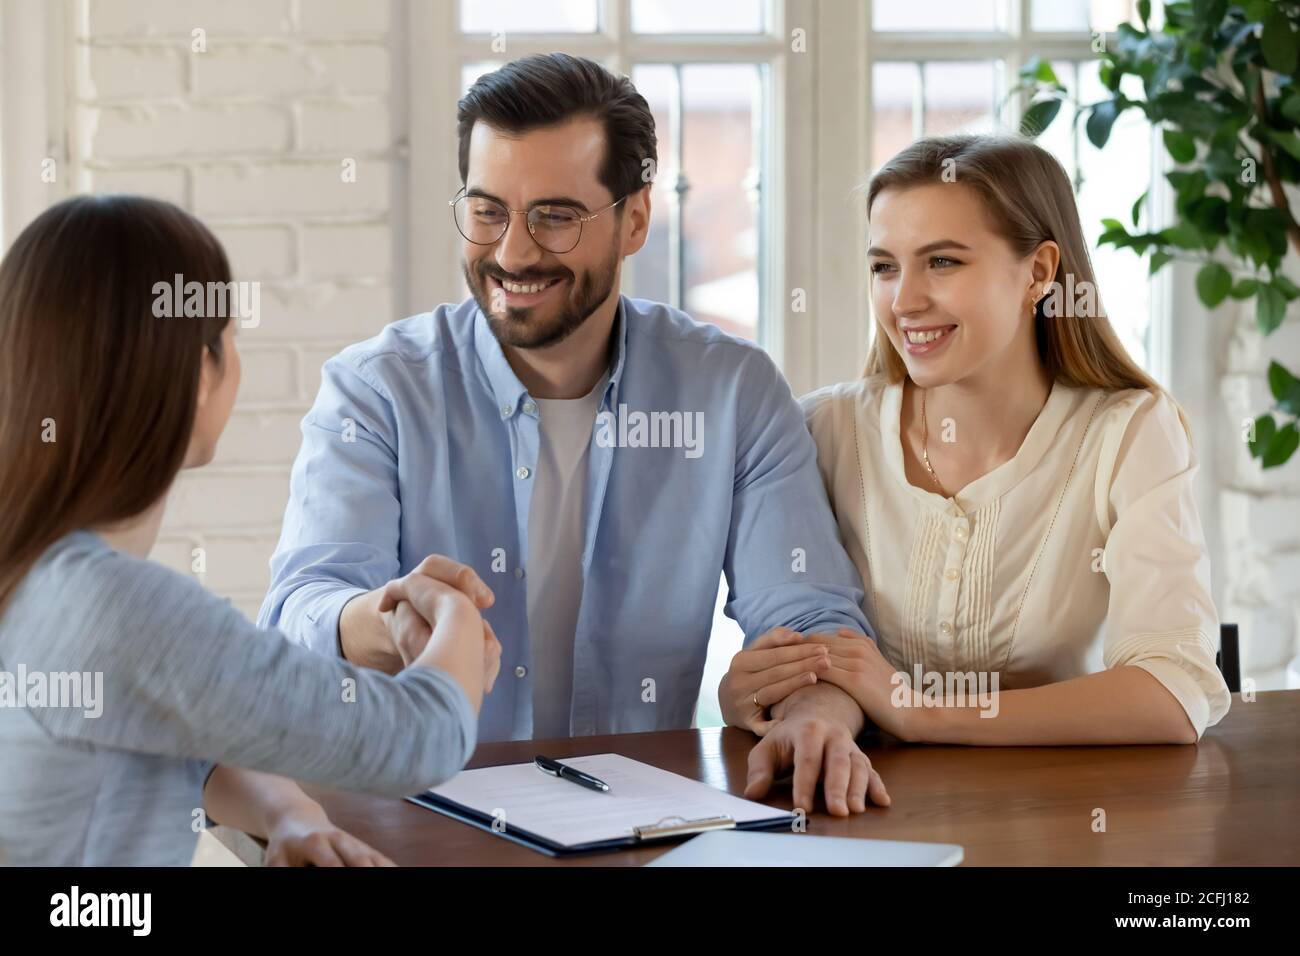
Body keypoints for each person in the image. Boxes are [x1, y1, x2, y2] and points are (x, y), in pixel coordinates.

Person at [259, 53, 889, 815]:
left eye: (555, 216)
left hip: (643, 827)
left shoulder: (730, 392)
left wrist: (816, 714)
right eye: (488, 210)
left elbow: (813, 621)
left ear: (634, 220)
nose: (514, 253)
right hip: (420, 824)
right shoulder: (378, 390)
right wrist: (383, 618)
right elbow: (300, 611)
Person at [0, 195, 500, 866]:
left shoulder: (38, 575)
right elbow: (418, 741)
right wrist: (456, 619)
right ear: (196, 373)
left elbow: (180, 729)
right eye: (230, 337)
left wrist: (286, 811)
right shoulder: (122, 609)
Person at [723, 135, 1231, 745]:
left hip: (1065, 817)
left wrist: (917, 711)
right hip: (868, 817)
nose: (904, 300)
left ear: (1039, 273)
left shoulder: (1129, 432)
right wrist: (755, 690)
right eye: (884, 266)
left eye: (943, 262)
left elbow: (1173, 694)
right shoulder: (821, 432)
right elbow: (801, 665)